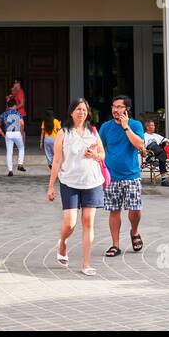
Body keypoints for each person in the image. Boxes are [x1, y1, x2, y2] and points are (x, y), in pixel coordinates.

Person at [47, 97, 106, 275]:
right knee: (70, 222)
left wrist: (95, 154)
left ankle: (86, 264)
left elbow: (103, 154)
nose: (81, 112)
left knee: (88, 221)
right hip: (69, 182)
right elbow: (56, 161)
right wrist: (50, 186)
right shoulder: (63, 133)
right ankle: (63, 242)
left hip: (92, 182)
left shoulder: (93, 132)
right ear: (71, 112)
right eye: (78, 109)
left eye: (84, 109)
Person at [97, 94, 146, 257]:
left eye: (119, 107)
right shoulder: (105, 127)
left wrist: (126, 127)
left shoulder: (135, 125)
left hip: (131, 175)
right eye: (114, 106)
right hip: (111, 176)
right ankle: (115, 245)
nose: (116, 110)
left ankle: (134, 231)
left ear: (127, 109)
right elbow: (99, 147)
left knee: (135, 210)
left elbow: (140, 145)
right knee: (114, 210)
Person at [0, 97, 26, 176]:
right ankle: (20, 164)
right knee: (21, 148)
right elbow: (22, 124)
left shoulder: (4, 114)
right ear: (14, 105)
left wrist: (3, 134)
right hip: (17, 133)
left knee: (9, 152)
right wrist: (21, 132)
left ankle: (10, 171)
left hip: (8, 133)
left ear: (8, 106)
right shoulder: (18, 113)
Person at [141, 120, 169, 187]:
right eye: (152, 125)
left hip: (156, 155)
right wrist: (143, 151)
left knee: (162, 149)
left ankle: (156, 159)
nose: (154, 127)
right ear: (147, 127)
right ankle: (163, 180)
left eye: (154, 125)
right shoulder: (143, 136)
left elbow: (168, 140)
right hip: (149, 154)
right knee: (154, 145)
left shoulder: (156, 136)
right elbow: (141, 145)